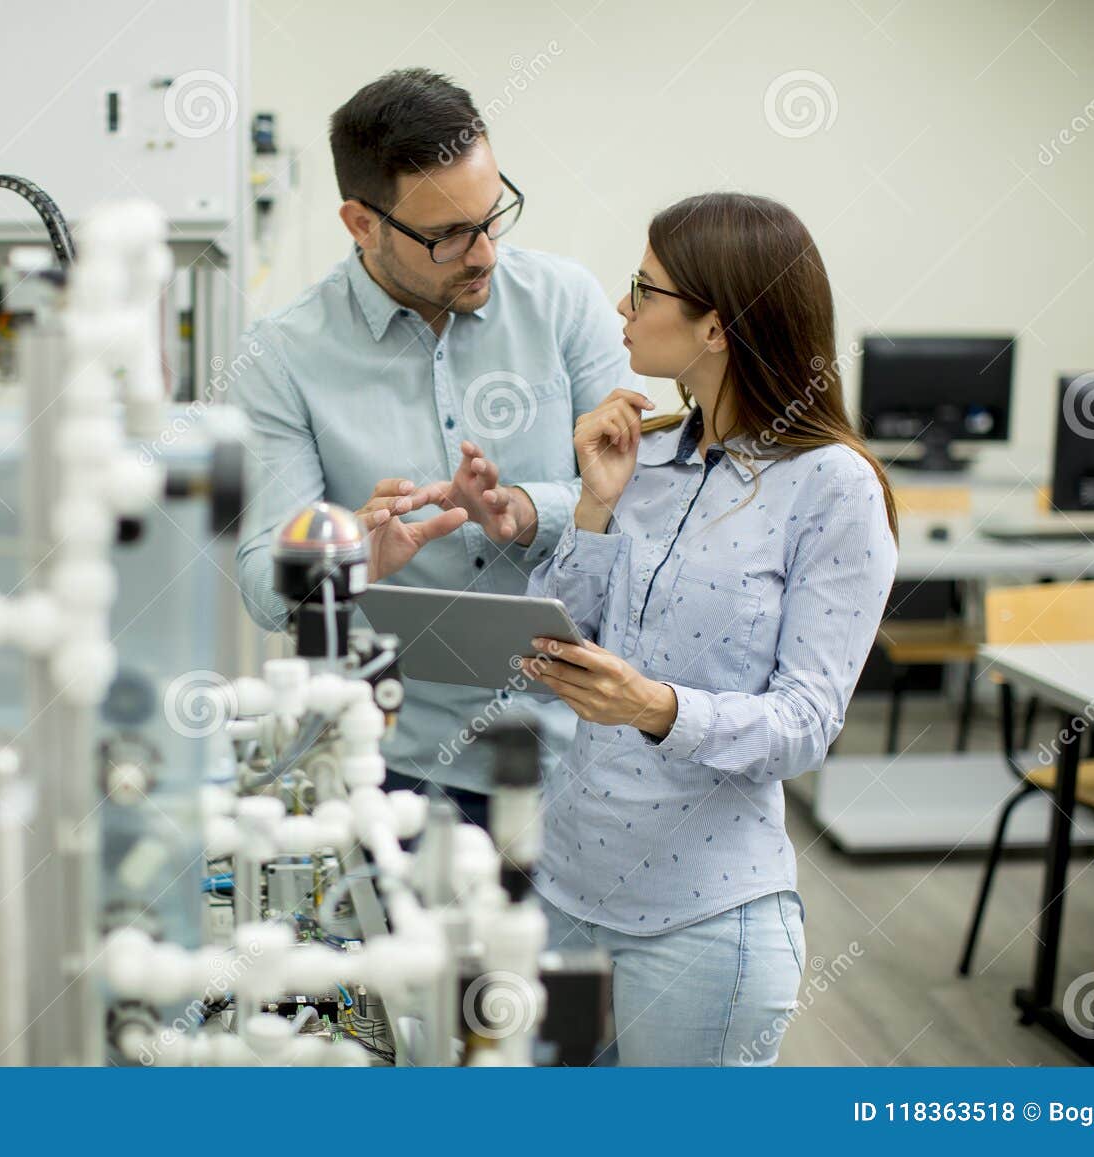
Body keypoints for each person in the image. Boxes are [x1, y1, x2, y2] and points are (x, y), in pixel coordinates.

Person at [520, 192, 899, 1065]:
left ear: (714, 328)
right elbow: (555, 642)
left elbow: (806, 722)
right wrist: (593, 505)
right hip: (566, 893)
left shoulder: (833, 488)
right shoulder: (640, 456)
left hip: (704, 917)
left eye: (642, 290)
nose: (622, 309)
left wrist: (658, 707)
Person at [232, 68, 641, 823]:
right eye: (449, 234)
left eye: (493, 216)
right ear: (361, 223)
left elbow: (643, 508)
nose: (484, 253)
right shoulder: (281, 355)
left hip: (583, 756)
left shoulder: (565, 304)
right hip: (398, 772)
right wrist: (342, 555)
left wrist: (526, 509)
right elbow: (262, 581)